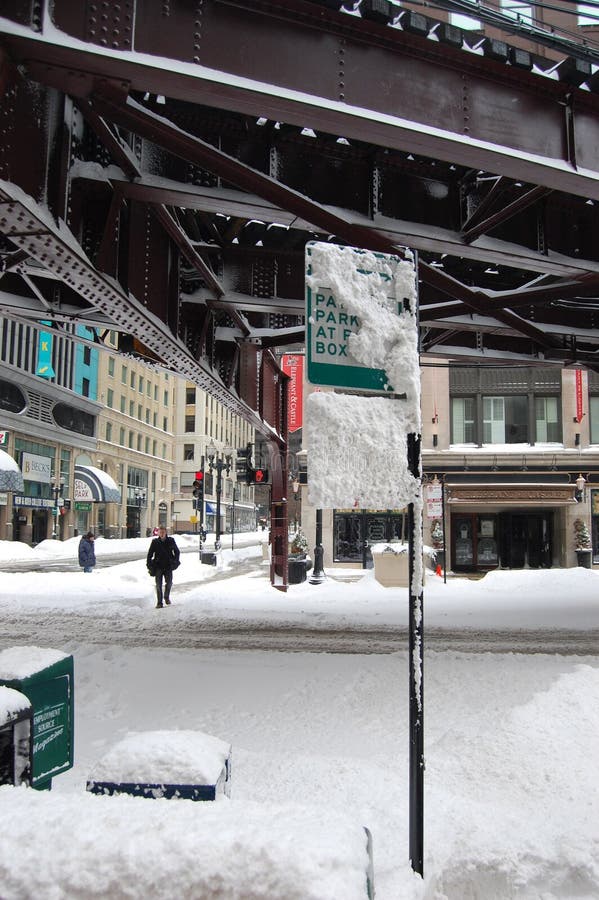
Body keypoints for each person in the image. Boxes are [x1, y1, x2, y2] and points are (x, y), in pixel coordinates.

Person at [147, 526, 180, 608]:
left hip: (168, 565)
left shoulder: (170, 541)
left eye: (163, 532)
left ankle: (166, 596)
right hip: (158, 566)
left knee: (169, 583)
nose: (161, 534)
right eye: (160, 532)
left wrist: (175, 561)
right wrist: (149, 565)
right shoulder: (155, 542)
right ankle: (159, 602)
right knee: (158, 585)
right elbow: (150, 555)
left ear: (166, 532)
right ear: (158, 533)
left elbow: (177, 551)